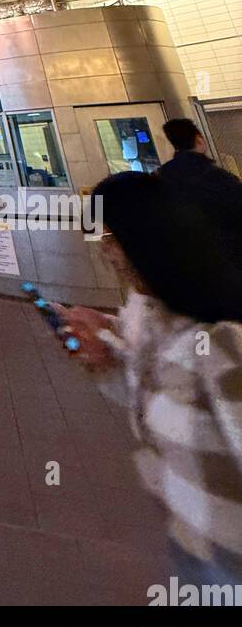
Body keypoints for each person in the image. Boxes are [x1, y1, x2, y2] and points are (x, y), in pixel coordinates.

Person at [62, 172, 242, 588]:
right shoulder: (144, 313)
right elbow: (151, 398)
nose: (105, 251)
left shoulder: (224, 345)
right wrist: (106, 356)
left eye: (109, 236)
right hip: (192, 544)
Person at [157, 117, 242, 246]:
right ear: (199, 139)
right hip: (229, 250)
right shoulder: (216, 177)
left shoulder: (161, 179)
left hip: (190, 253)